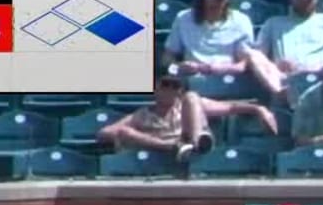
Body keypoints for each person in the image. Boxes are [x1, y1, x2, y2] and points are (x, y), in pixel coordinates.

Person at [98, 66, 279, 166]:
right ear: (156, 89)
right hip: (164, 148)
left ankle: (196, 141)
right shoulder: (143, 114)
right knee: (125, 131)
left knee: (193, 97)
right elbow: (105, 133)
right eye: (165, 85)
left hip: (189, 141)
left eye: (175, 86)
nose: (170, 90)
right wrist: (143, 136)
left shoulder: (188, 105)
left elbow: (230, 107)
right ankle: (176, 147)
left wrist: (259, 110)